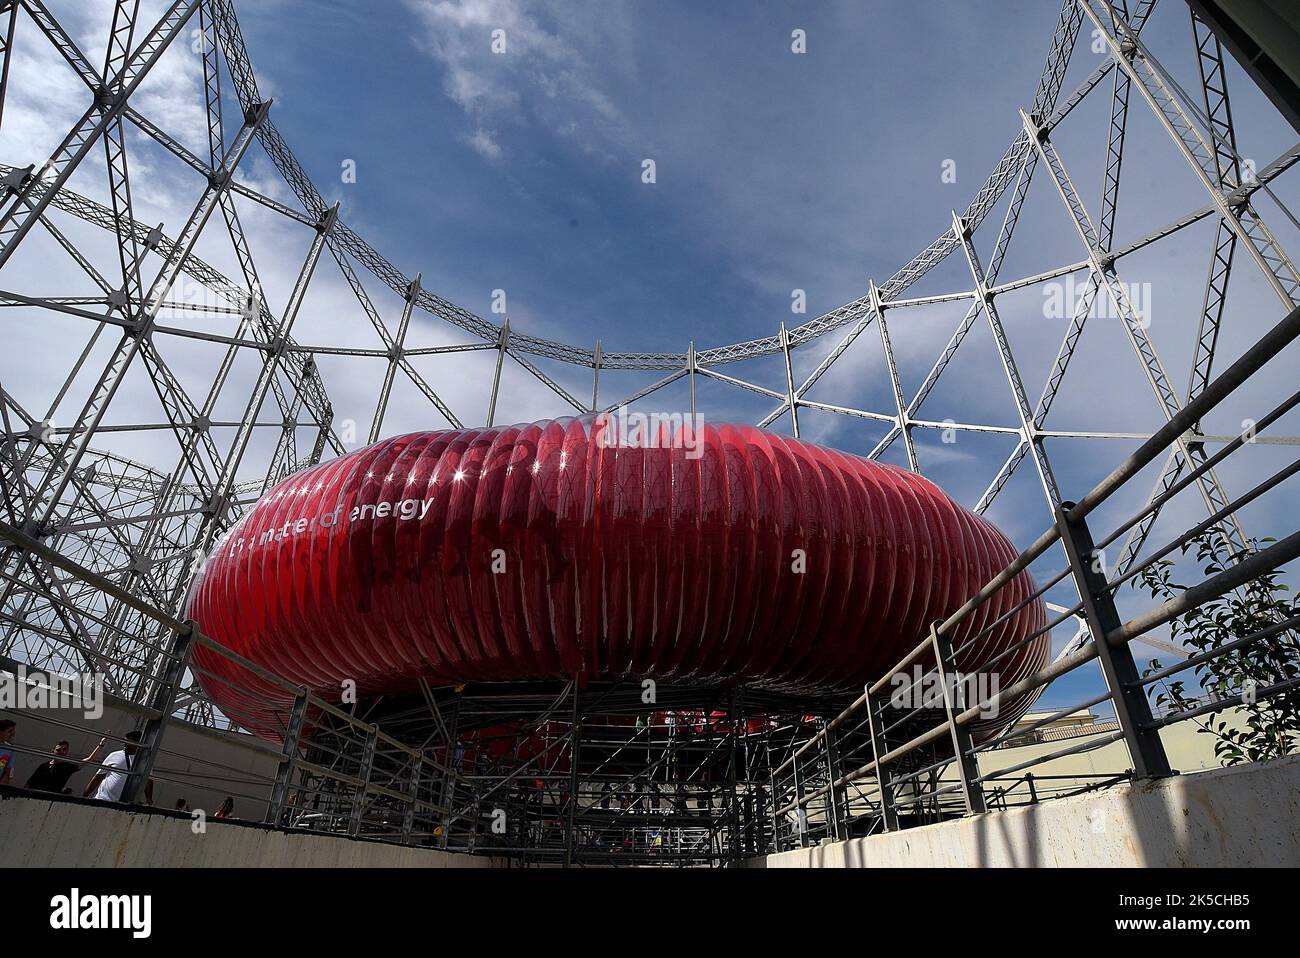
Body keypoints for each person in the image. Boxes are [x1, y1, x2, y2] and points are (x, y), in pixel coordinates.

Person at [82, 730, 153, 804]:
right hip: (103, 799)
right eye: (124, 742)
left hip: (123, 804)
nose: (124, 745)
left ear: (137, 743)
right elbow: (98, 777)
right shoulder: (114, 755)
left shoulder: (144, 761)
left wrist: (149, 798)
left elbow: (148, 780)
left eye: (128, 742)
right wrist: (84, 796)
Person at [24, 736, 108, 794]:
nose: (61, 752)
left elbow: (89, 759)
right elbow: (29, 783)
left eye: (64, 750)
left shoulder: (67, 767)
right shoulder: (43, 766)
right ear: (53, 751)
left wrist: (100, 745)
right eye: (59, 749)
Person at [0, 720, 16, 786]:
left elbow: (7, 772)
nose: (13, 734)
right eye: (10, 731)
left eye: (14, 731)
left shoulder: (10, 749)